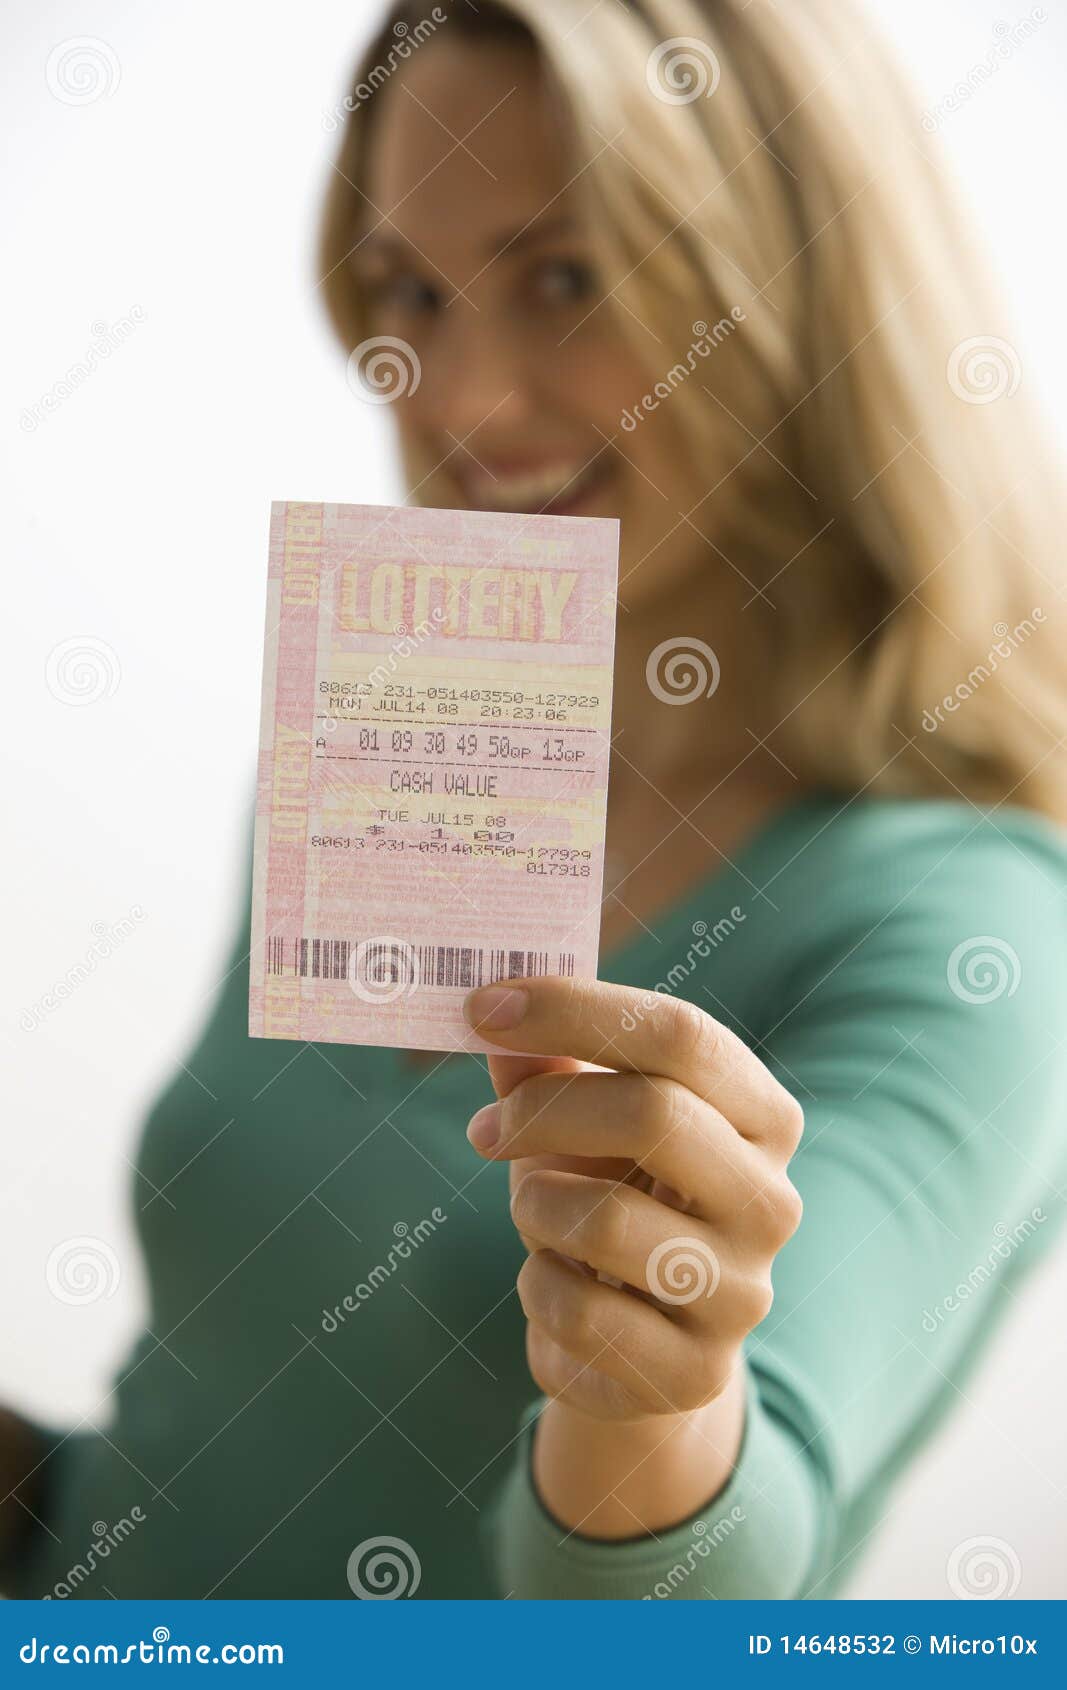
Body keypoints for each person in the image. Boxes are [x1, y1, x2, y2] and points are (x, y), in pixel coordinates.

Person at [4, 0, 1067, 1600]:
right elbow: (205, 1439)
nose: (460, 397)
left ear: (793, 286)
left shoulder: (972, 920)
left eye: (565, 279)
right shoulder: (399, 741)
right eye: (408, 291)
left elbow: (713, 1592)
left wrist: (662, 1398)